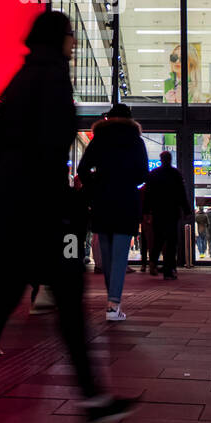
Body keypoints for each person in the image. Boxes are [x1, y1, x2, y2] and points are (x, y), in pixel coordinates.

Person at [0, 11, 134, 423]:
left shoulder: (24, 76)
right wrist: (65, 207)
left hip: (15, 213)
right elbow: (46, 153)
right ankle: (93, 402)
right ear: (59, 39)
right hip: (39, 217)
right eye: (71, 36)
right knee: (64, 308)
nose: (74, 44)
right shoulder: (51, 78)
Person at [78, 103, 149, 320]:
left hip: (102, 201)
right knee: (119, 255)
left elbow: (82, 169)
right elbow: (142, 174)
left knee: (107, 256)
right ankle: (113, 303)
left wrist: (95, 185)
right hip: (126, 200)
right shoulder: (136, 141)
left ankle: (112, 299)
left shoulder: (99, 138)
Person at [144, 151, 187, 279]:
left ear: (161, 159)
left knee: (158, 239)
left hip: (158, 212)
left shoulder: (154, 174)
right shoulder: (176, 174)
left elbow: (148, 194)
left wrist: (146, 211)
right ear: (170, 159)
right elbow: (181, 193)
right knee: (171, 241)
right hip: (172, 212)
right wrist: (186, 210)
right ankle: (168, 269)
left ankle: (153, 262)